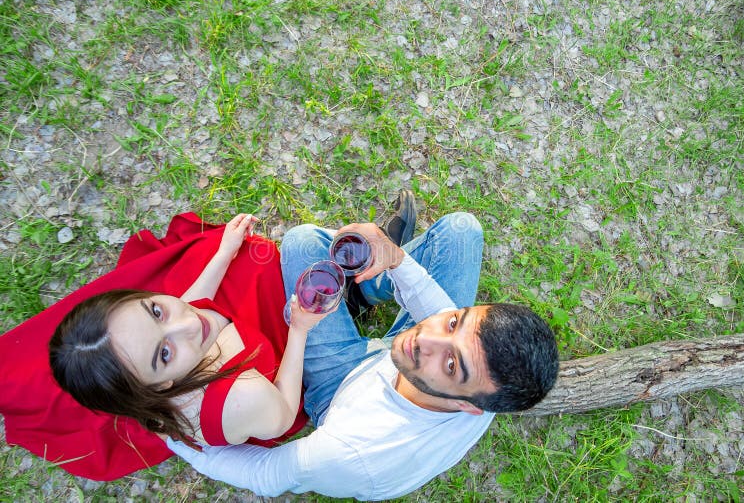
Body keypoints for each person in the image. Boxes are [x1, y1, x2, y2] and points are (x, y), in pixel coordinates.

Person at [167, 204, 560, 500]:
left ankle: (358, 290)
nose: (424, 339)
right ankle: (366, 285)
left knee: (303, 243)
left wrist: (174, 439)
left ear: (472, 408)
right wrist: (395, 256)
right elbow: (439, 319)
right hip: (384, 368)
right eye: (456, 322)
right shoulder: (477, 379)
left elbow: (266, 474)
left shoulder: (353, 451)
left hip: (339, 388)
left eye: (453, 363)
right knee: (462, 230)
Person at [49, 213, 330, 448]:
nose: (191, 322)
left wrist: (225, 252)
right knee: (298, 249)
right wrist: (299, 330)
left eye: (156, 311)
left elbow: (192, 304)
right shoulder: (244, 397)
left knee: (250, 261)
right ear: (158, 386)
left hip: (247, 363)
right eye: (165, 353)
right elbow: (285, 410)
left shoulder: (151, 365)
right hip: (276, 396)